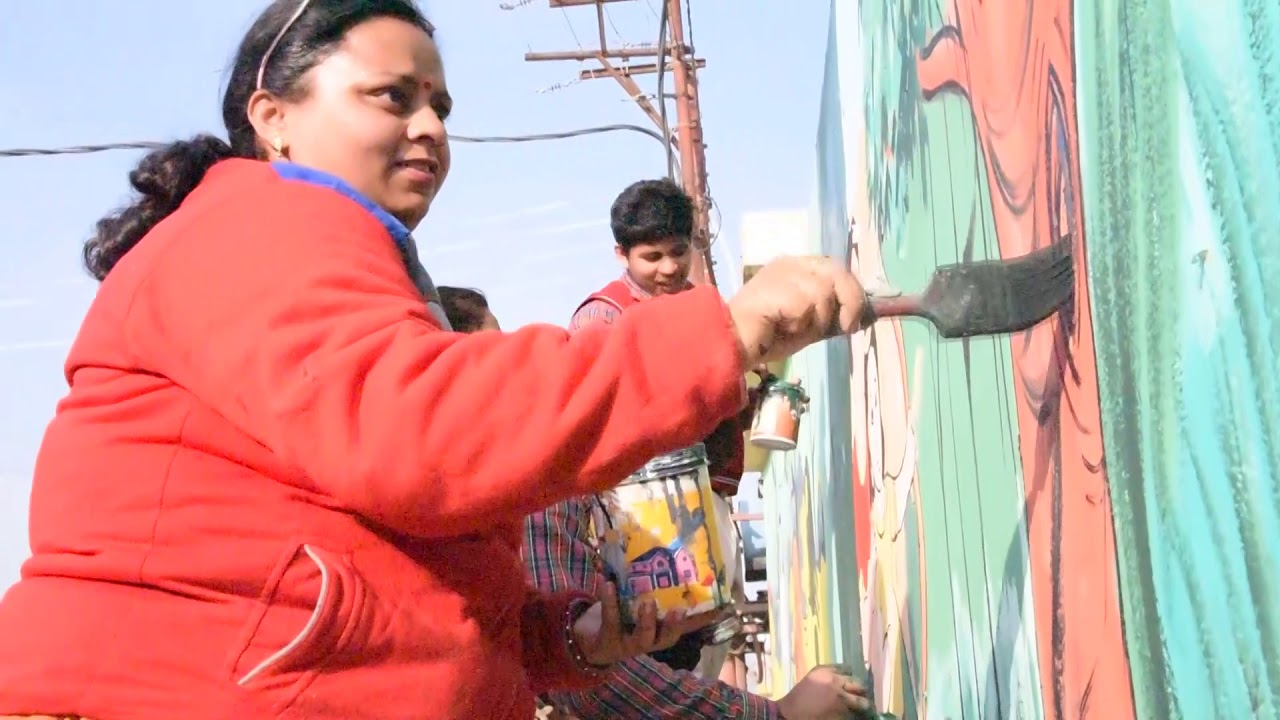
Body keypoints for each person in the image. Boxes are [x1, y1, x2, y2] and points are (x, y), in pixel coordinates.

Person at [0, 1, 869, 718]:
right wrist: (718, 335)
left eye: (441, 107)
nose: (429, 128)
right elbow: (425, 434)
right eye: (392, 96)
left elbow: (414, 588)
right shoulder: (249, 229)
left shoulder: (347, 269)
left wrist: (570, 640)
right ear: (274, 118)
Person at [521, 179, 875, 718]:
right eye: (652, 257)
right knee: (658, 652)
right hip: (647, 533)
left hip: (697, 515)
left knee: (692, 645)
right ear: (621, 255)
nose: (668, 268)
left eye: (678, 252)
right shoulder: (603, 319)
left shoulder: (701, 308)